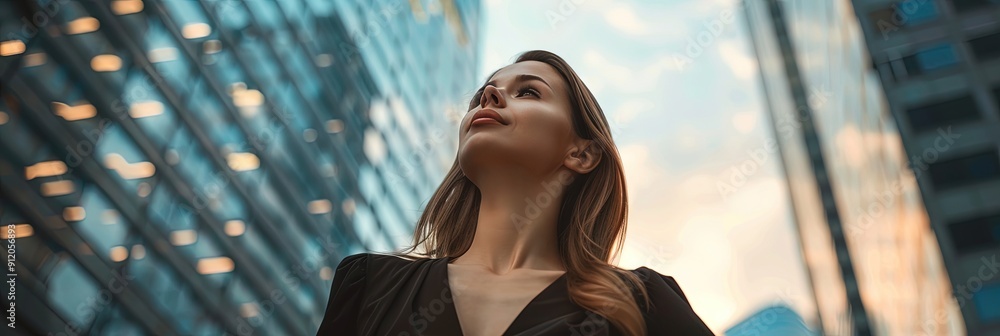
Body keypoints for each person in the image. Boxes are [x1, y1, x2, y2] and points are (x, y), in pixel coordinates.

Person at [316, 50, 714, 336]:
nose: (488, 97)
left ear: (582, 152)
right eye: (483, 94)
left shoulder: (643, 303)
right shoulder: (369, 286)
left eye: (528, 92)